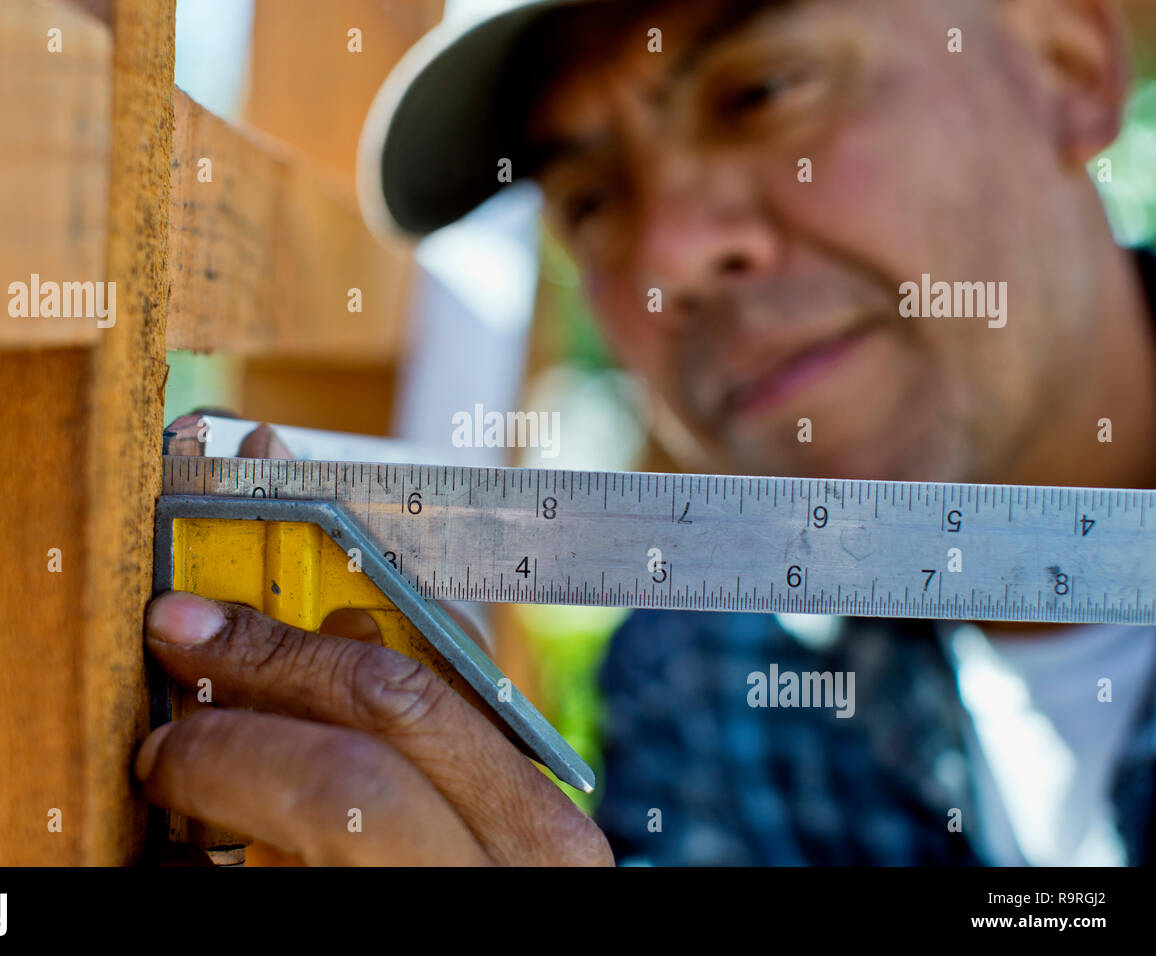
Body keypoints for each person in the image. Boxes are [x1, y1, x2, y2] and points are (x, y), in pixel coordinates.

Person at [136, 0, 1156, 865]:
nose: (667, 254)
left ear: (1066, 62)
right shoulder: (700, 672)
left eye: (760, 94)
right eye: (587, 199)